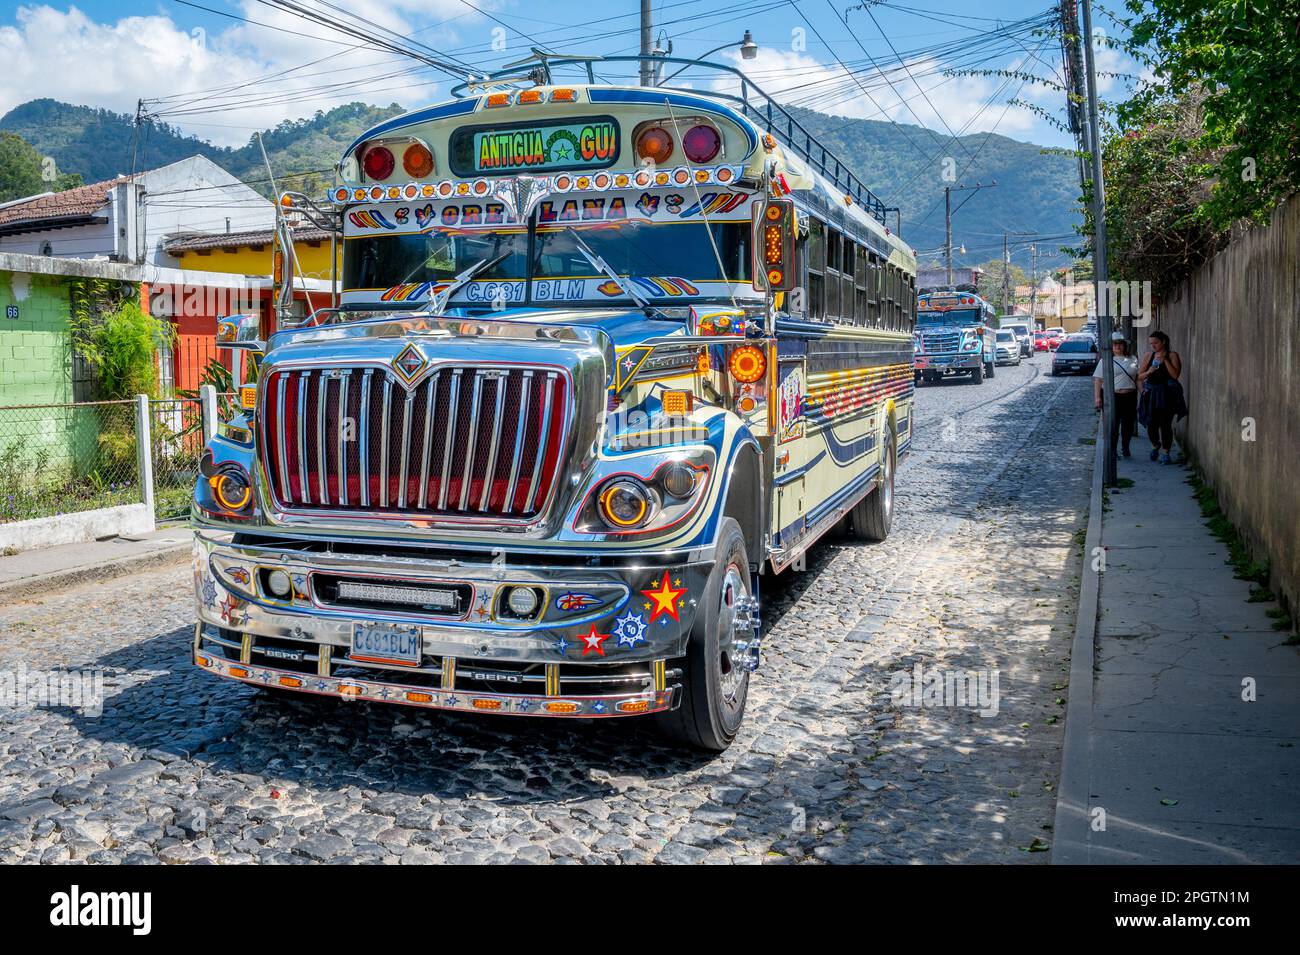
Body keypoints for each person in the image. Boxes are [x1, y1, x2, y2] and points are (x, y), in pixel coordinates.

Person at [1137, 330, 1185, 464]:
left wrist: (1165, 361)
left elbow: (1175, 376)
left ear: (1163, 341)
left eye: (1156, 343)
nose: (1153, 346)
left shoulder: (1172, 355)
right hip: (1151, 394)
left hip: (1167, 394)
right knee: (1151, 423)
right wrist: (1149, 372)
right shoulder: (1148, 355)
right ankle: (1155, 445)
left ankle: (1166, 452)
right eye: (1151, 343)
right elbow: (1139, 377)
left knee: (1165, 425)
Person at [1094, 332, 1139, 457]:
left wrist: (1143, 392)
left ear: (1124, 345)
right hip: (1112, 397)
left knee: (1128, 424)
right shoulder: (1106, 361)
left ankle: (1125, 448)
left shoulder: (1133, 359)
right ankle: (1112, 451)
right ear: (1111, 346)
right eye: (1114, 344)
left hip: (1130, 395)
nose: (1117, 347)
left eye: (1120, 344)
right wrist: (1097, 398)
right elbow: (1098, 380)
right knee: (1113, 425)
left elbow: (1138, 378)